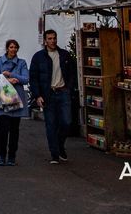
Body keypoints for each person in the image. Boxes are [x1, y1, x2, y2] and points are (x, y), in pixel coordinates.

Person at [30, 29, 77, 164]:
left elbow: (72, 72)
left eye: (54, 38)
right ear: (45, 41)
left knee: (66, 122)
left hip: (63, 92)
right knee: (50, 124)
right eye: (49, 38)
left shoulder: (64, 55)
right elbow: (33, 77)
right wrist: (37, 95)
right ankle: (55, 154)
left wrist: (69, 87)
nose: (52, 41)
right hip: (48, 94)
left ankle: (59, 144)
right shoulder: (38, 57)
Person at [0, 39, 29, 165]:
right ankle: (1, 156)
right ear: (7, 48)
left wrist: (12, 75)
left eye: (15, 47)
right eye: (11, 47)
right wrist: (8, 80)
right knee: (3, 130)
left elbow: (25, 79)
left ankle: (12, 156)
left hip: (16, 100)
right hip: (3, 99)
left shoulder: (22, 63)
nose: (13, 49)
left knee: (14, 130)